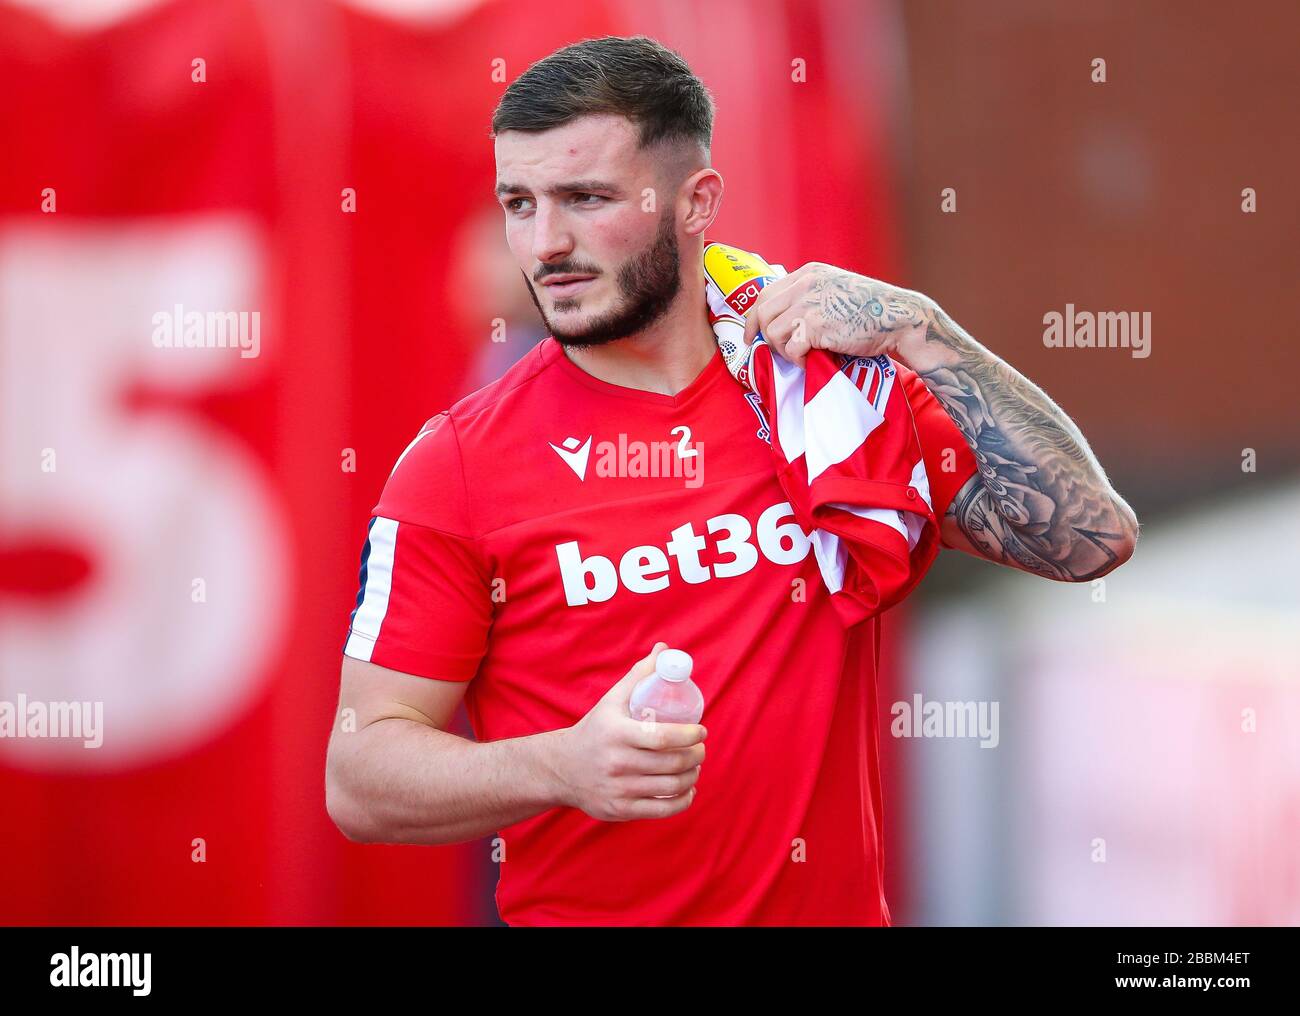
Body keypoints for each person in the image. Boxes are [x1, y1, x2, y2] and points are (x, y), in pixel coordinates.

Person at [325, 35, 1138, 926]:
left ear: (695, 201)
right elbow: (360, 778)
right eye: (519, 203)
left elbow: (1091, 536)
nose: (543, 243)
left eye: (585, 199)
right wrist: (557, 765)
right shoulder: (458, 463)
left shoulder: (824, 396)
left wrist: (923, 330)